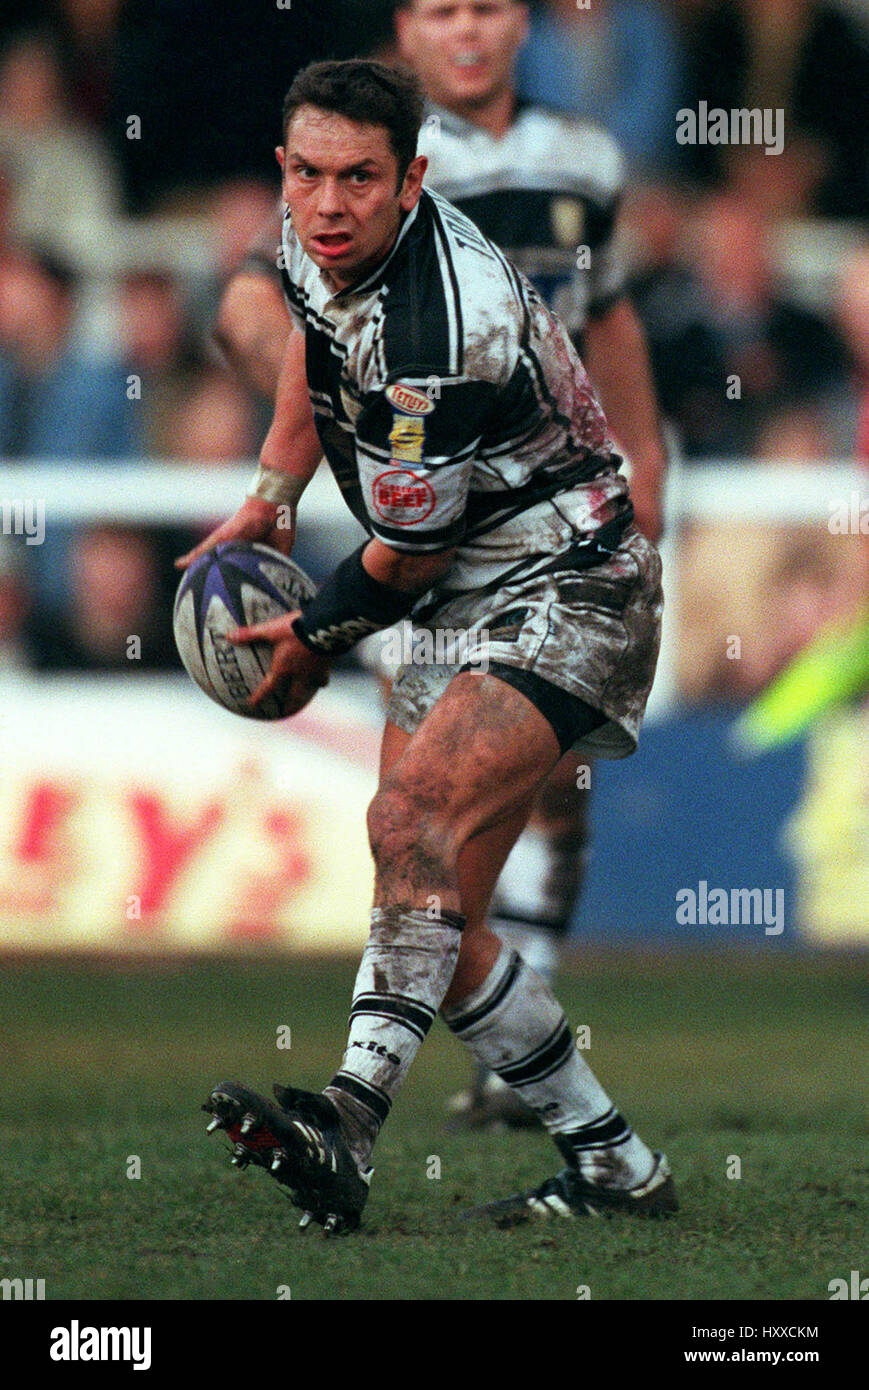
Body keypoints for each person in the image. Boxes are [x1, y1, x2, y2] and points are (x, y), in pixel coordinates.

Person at [187, 58, 676, 1234]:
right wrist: (268, 492)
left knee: (405, 826)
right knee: (434, 919)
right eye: (308, 174)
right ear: (284, 172)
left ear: (410, 179)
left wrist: (304, 641)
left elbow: (401, 560)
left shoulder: (434, 329)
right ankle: (614, 1166)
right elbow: (306, 353)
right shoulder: (316, 241)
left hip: (575, 583)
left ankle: (346, 1123)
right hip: (463, 585)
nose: (329, 203)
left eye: (360, 177)